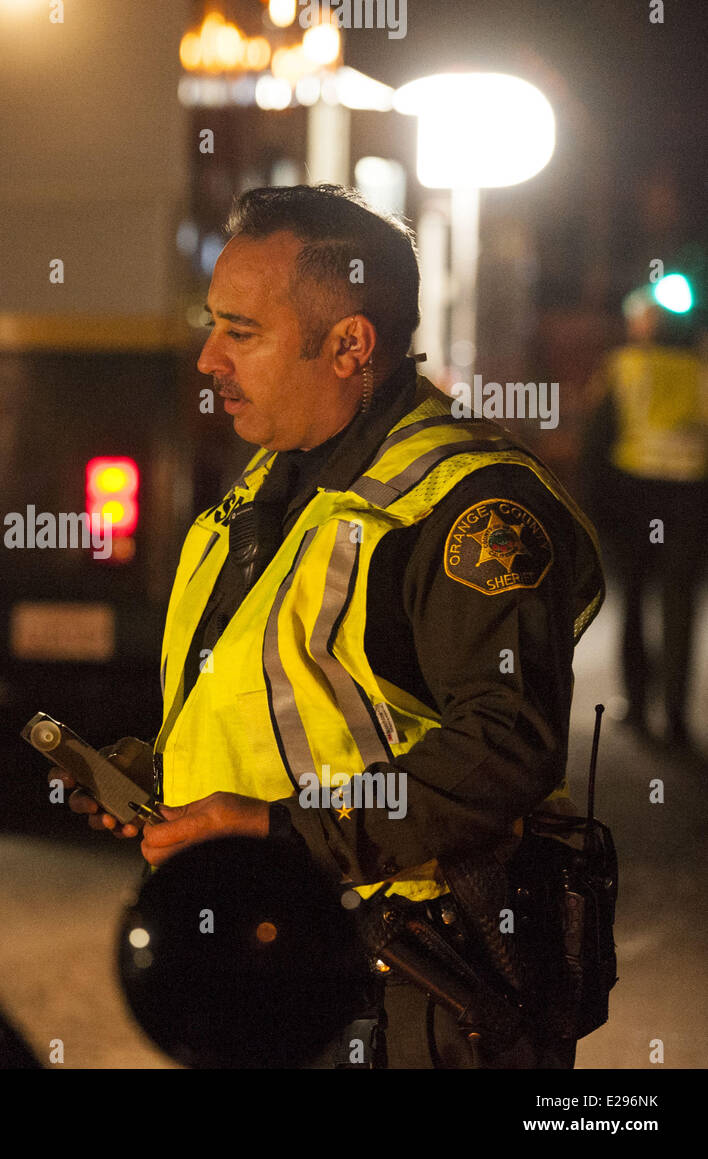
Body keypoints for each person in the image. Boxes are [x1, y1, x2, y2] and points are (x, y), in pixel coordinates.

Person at [64, 185, 605, 1068]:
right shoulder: (279, 479)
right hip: (271, 966)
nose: (207, 358)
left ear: (351, 344)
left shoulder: (469, 507)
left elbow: (506, 747)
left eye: (241, 331)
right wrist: (169, 777)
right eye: (213, 325)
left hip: (411, 986)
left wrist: (280, 834)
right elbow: (289, 703)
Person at [581, 281, 708, 750]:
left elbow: (598, 441)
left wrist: (589, 508)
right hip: (690, 501)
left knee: (633, 602)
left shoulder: (625, 366)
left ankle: (636, 708)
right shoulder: (701, 368)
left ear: (648, 323)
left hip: (634, 500)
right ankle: (675, 717)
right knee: (680, 608)